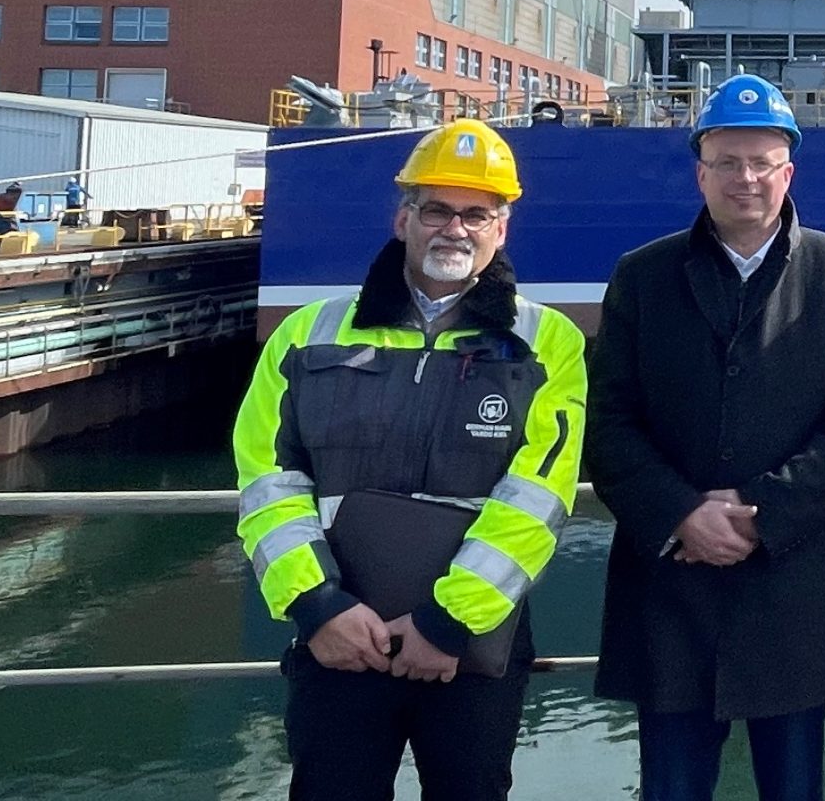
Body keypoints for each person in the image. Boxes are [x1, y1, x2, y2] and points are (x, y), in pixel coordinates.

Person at [232, 119, 587, 801]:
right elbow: (266, 479)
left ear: (500, 230)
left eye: (476, 214)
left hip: (468, 651)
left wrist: (448, 622)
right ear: (404, 220)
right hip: (338, 638)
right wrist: (315, 604)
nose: (454, 229)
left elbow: (539, 495)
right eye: (436, 210)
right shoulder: (308, 333)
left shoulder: (548, 344)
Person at [587, 73, 825, 801]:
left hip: (788, 592)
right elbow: (607, 420)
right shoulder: (642, 277)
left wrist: (763, 512)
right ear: (701, 173)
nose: (746, 178)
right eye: (728, 161)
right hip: (670, 589)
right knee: (671, 787)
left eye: (762, 162)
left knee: (793, 789)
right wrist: (680, 515)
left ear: (788, 172)